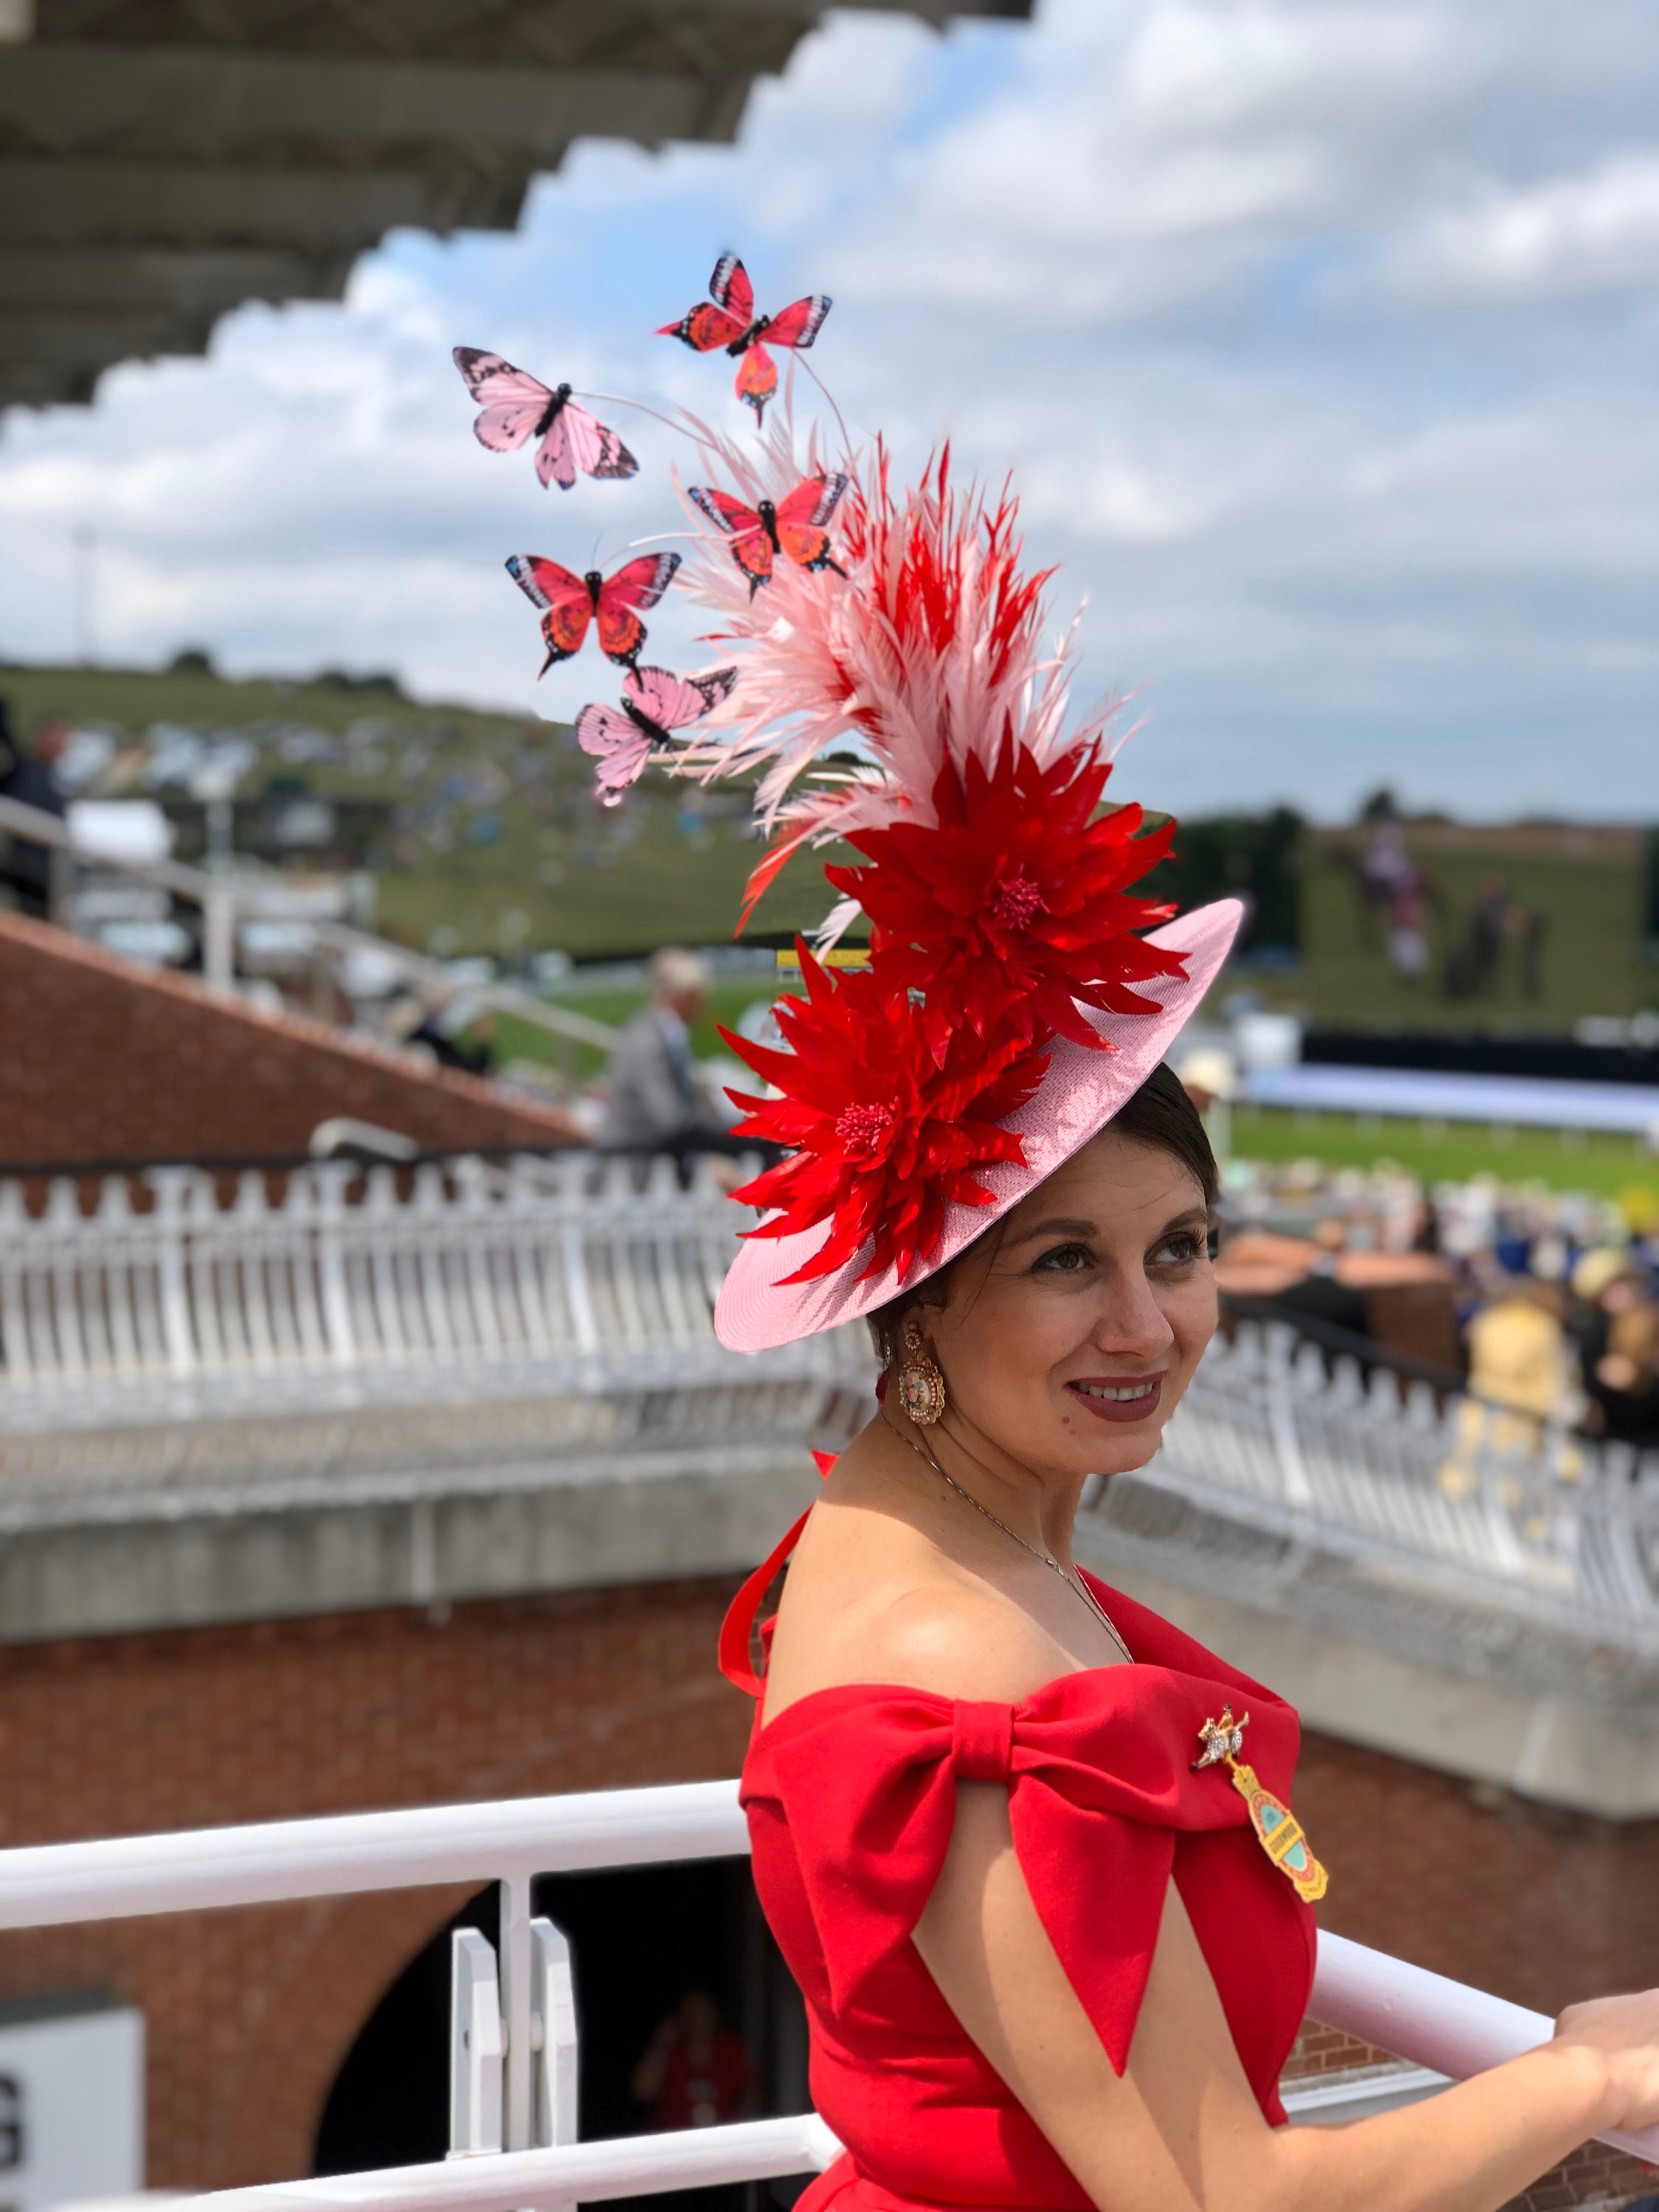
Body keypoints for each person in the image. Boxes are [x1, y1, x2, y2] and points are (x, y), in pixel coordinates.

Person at [609, 413, 1659, 2212]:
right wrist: (1588, 2076)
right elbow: (1224, 2199)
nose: (1148, 1322)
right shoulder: (969, 1679)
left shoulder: (919, 1537)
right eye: (1061, 1261)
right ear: (914, 1301)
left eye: (1179, 1248)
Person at [598, 946, 746, 1178]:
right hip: (635, 1171)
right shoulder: (649, 1041)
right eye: (696, 996)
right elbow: (672, 1120)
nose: (702, 1005)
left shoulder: (661, 1033)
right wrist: (738, 1132)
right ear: (679, 997)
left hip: (646, 1164)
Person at [628, 1991, 755, 2131]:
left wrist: (739, 2126)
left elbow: (751, 2090)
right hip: (674, 2136)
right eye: (692, 2014)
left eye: (703, 2013)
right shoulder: (670, 2051)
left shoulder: (731, 2049)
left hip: (720, 2136)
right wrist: (661, 2045)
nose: (698, 2021)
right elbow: (642, 2092)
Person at [0, 702, 69, 919]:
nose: (61, 747)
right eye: (56, 740)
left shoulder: (57, 780)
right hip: (23, 872)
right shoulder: (23, 771)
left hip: (50, 874)